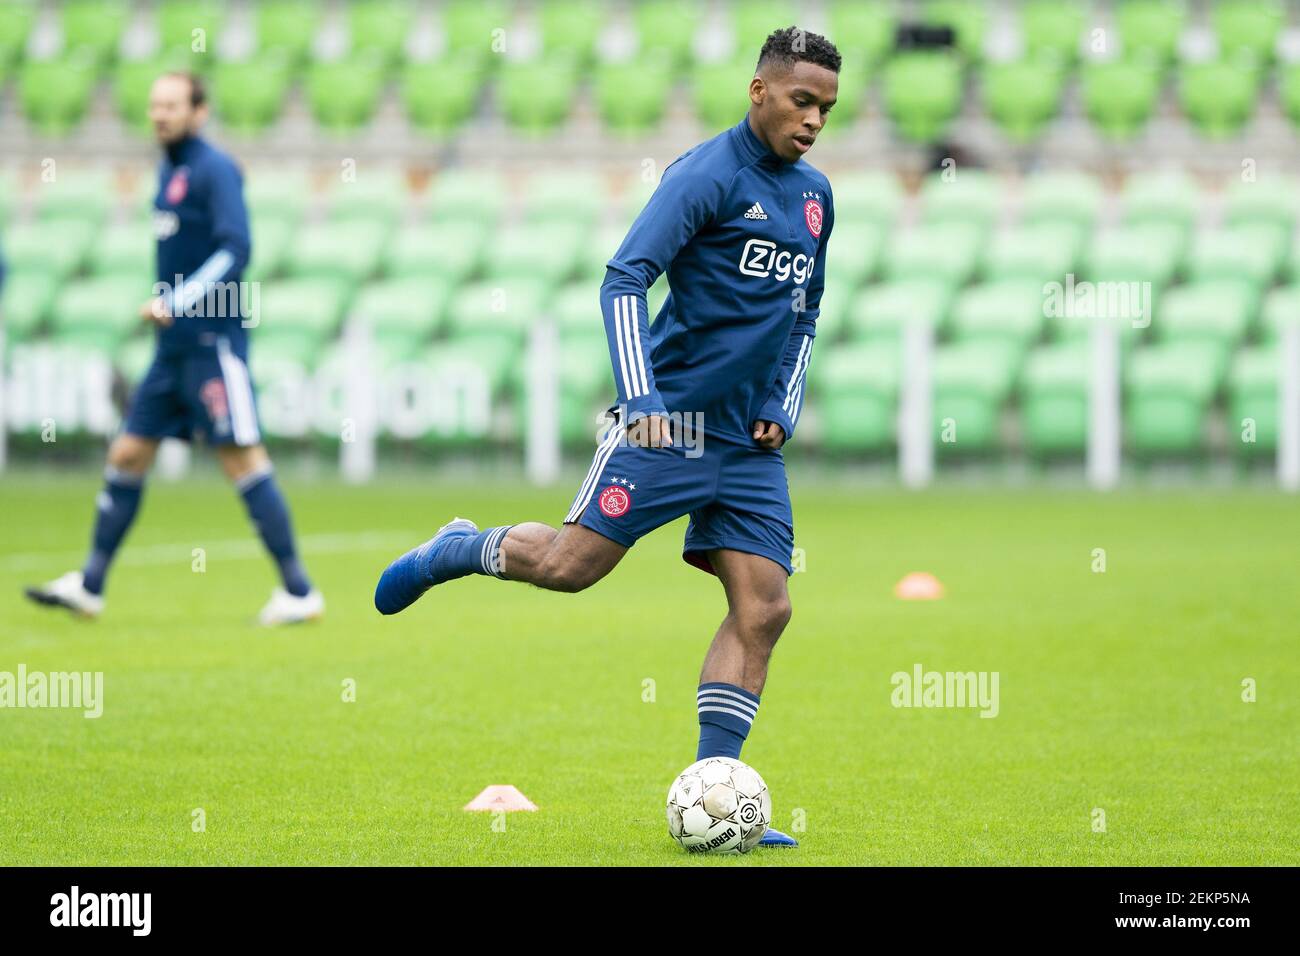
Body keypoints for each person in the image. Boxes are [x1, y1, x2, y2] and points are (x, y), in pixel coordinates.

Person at [375, 27, 838, 846]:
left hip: (747, 445)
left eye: (827, 108)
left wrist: (783, 399)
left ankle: (717, 790)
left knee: (765, 608)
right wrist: (642, 395)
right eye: (802, 101)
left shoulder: (815, 197)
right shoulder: (704, 176)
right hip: (672, 427)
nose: (813, 121)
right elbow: (626, 277)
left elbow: (804, 312)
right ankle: (455, 547)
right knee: (569, 567)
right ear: (759, 91)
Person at [24, 72, 323, 626]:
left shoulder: (215, 170)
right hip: (172, 350)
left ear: (200, 111)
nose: (160, 115)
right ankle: (90, 585)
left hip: (212, 343)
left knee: (242, 459)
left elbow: (238, 247)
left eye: (172, 105)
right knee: (127, 455)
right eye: (154, 106)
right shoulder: (169, 171)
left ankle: (300, 592)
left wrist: (182, 298)